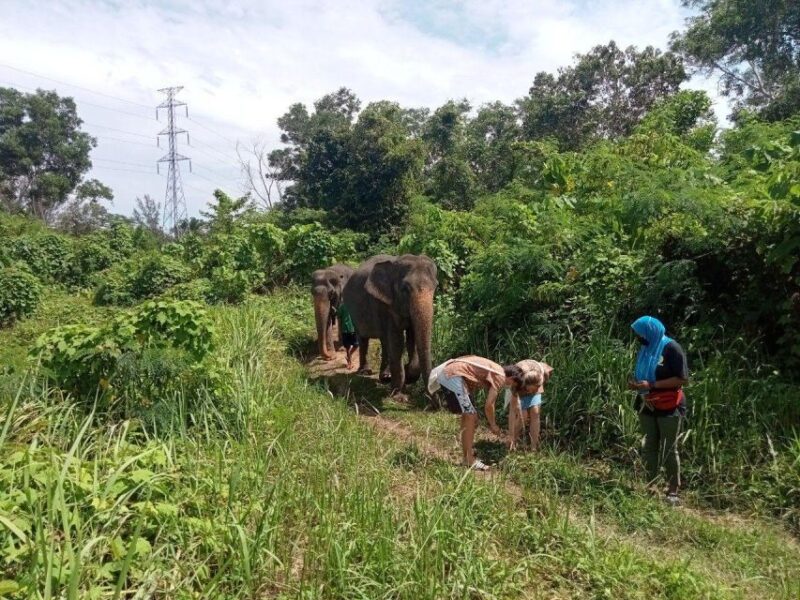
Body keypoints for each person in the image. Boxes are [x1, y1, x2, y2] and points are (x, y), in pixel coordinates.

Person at [628, 316, 689, 506]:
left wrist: (652, 385)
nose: (639, 338)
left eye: (641, 334)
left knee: (669, 449)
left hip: (669, 405)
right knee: (650, 446)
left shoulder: (671, 348)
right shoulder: (646, 349)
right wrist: (637, 385)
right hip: (647, 403)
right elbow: (643, 374)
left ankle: (673, 491)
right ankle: (650, 485)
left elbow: (682, 379)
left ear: (651, 332)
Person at [430, 355, 529, 471]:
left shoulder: (496, 370)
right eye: (513, 385)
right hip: (453, 375)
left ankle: (467, 455)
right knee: (470, 415)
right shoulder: (501, 376)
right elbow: (489, 405)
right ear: (512, 378)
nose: (509, 387)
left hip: (452, 373)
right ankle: (468, 459)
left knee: (471, 417)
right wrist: (493, 425)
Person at [508, 359, 553, 452]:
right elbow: (512, 412)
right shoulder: (516, 381)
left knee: (535, 412)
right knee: (523, 416)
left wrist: (535, 388)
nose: (532, 392)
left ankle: (534, 447)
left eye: (535, 390)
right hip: (521, 387)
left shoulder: (542, 373)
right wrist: (511, 435)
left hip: (534, 379)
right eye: (530, 390)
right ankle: (512, 441)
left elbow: (549, 371)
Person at [335, 303, 359, 370]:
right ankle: (350, 363)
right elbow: (339, 319)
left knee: (356, 344)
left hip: (354, 329)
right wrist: (339, 331)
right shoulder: (342, 306)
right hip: (345, 329)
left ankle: (349, 355)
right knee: (347, 347)